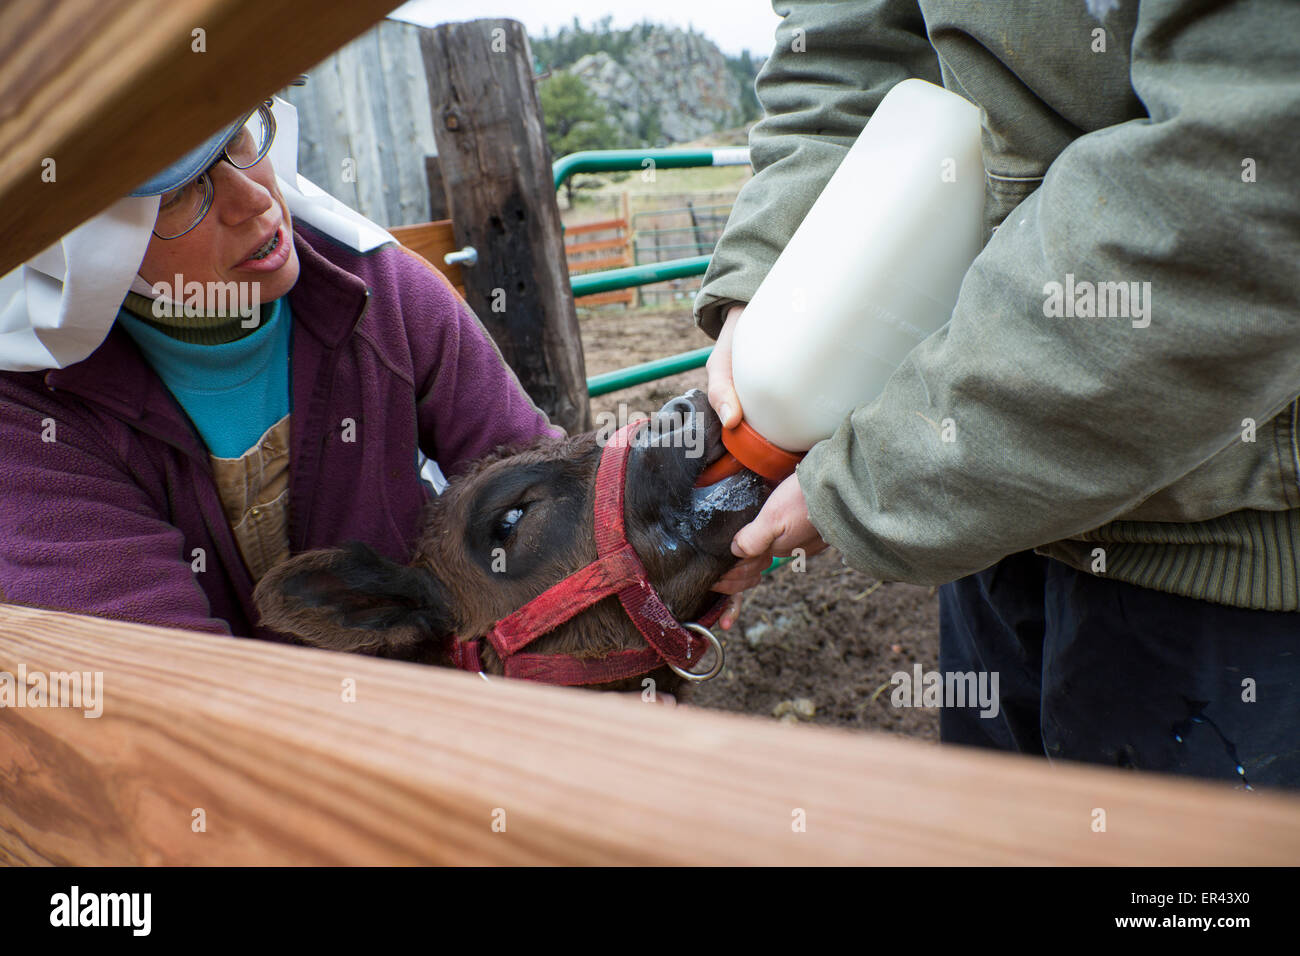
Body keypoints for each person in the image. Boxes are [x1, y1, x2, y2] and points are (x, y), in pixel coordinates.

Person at [700, 0, 1299, 788]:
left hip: (1223, 549)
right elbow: (842, 44)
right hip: (986, 515)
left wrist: (889, 473)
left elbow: (1238, 176)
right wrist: (770, 279)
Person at [0, 96, 559, 642]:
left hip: (428, 701)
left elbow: (542, 490)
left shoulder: (381, 292)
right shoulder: (34, 412)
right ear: (87, 243)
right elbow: (166, 677)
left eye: (239, 136)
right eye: (178, 194)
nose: (253, 200)